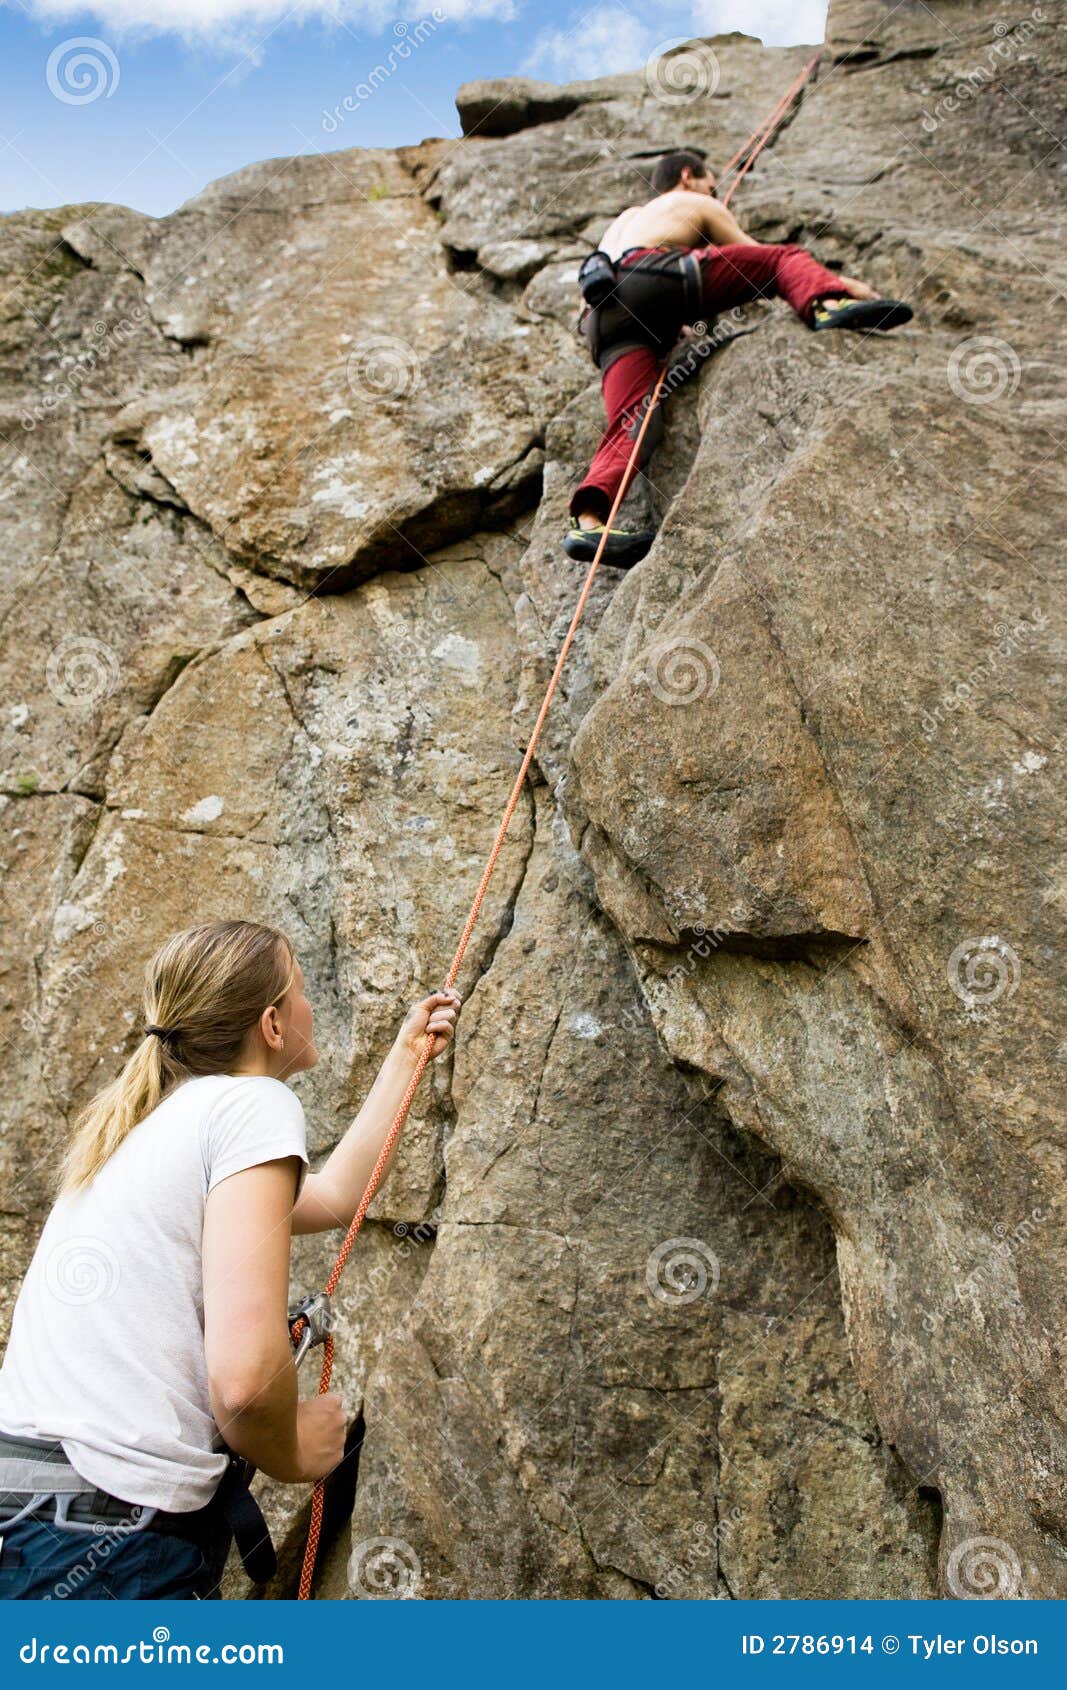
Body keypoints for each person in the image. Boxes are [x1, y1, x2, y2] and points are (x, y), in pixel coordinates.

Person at [0, 920, 461, 1599]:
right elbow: (244, 1386)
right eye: (301, 992)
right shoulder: (253, 1105)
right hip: (110, 1537)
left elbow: (335, 1196)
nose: (310, 1008)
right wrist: (294, 1452)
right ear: (272, 1024)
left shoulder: (153, 1122)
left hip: (34, 1515)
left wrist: (405, 1055)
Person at [565, 149, 913, 568]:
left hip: (602, 318)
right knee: (785, 258)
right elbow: (756, 257)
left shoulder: (624, 221)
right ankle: (826, 305)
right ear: (689, 176)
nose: (716, 192)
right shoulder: (690, 202)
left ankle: (589, 521)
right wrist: (835, 281)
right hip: (651, 278)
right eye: (712, 184)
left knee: (635, 421)